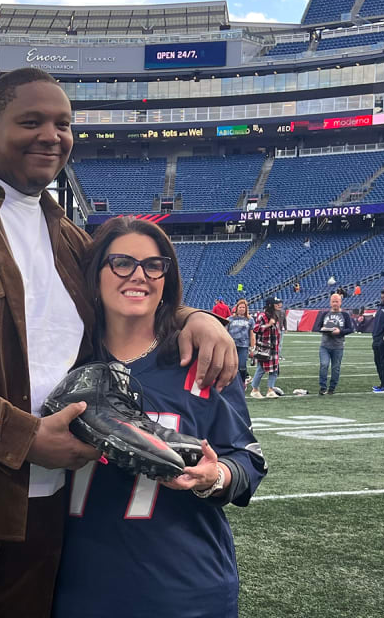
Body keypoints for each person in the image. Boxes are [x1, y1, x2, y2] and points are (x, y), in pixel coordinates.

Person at [0, 67, 236, 618]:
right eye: (31, 121)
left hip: (44, 505)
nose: (52, 135)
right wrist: (25, 437)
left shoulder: (66, 234)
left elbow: (125, 283)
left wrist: (192, 317)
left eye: (63, 124)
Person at [53, 217, 267, 618]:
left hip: (184, 592)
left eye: (154, 265)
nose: (139, 275)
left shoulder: (201, 361)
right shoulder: (61, 364)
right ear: (95, 272)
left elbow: (248, 461)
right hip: (77, 590)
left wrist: (212, 477)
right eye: (122, 263)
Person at [314, 293, 355, 396]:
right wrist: (324, 330)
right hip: (325, 345)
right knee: (324, 365)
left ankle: (332, 388)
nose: (335, 303)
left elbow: (350, 329)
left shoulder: (345, 315)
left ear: (340, 302)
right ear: (330, 302)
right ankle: (323, 387)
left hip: (338, 346)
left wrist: (340, 332)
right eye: (333, 301)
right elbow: (316, 327)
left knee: (335, 368)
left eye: (337, 301)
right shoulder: (324, 314)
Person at [249, 297, 283, 400]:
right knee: (261, 369)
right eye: (276, 304)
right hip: (264, 347)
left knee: (274, 369)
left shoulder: (276, 316)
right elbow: (256, 328)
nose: (279, 306)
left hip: (274, 347)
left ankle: (270, 389)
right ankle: (254, 389)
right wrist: (268, 325)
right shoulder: (262, 316)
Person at [226, 299, 252, 385]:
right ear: (237, 308)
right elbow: (225, 332)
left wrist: (253, 347)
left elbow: (252, 334)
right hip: (231, 346)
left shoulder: (250, 320)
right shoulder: (230, 319)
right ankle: (231, 383)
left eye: (243, 307)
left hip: (243, 346)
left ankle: (242, 382)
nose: (242, 309)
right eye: (240, 307)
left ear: (246, 309)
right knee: (230, 365)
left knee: (242, 366)